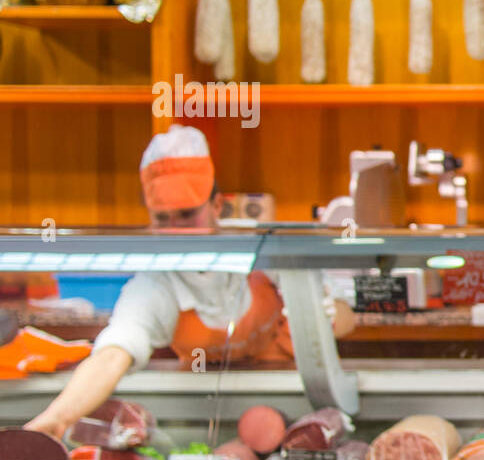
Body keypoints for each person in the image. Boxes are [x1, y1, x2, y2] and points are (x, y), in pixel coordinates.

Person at [25, 125, 355, 441]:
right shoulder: (157, 280)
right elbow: (114, 353)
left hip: (294, 406)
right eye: (163, 219)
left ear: (216, 205)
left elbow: (345, 318)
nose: (175, 231)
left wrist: (327, 315)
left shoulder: (261, 246)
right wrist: (58, 418)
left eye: (186, 215)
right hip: (201, 409)